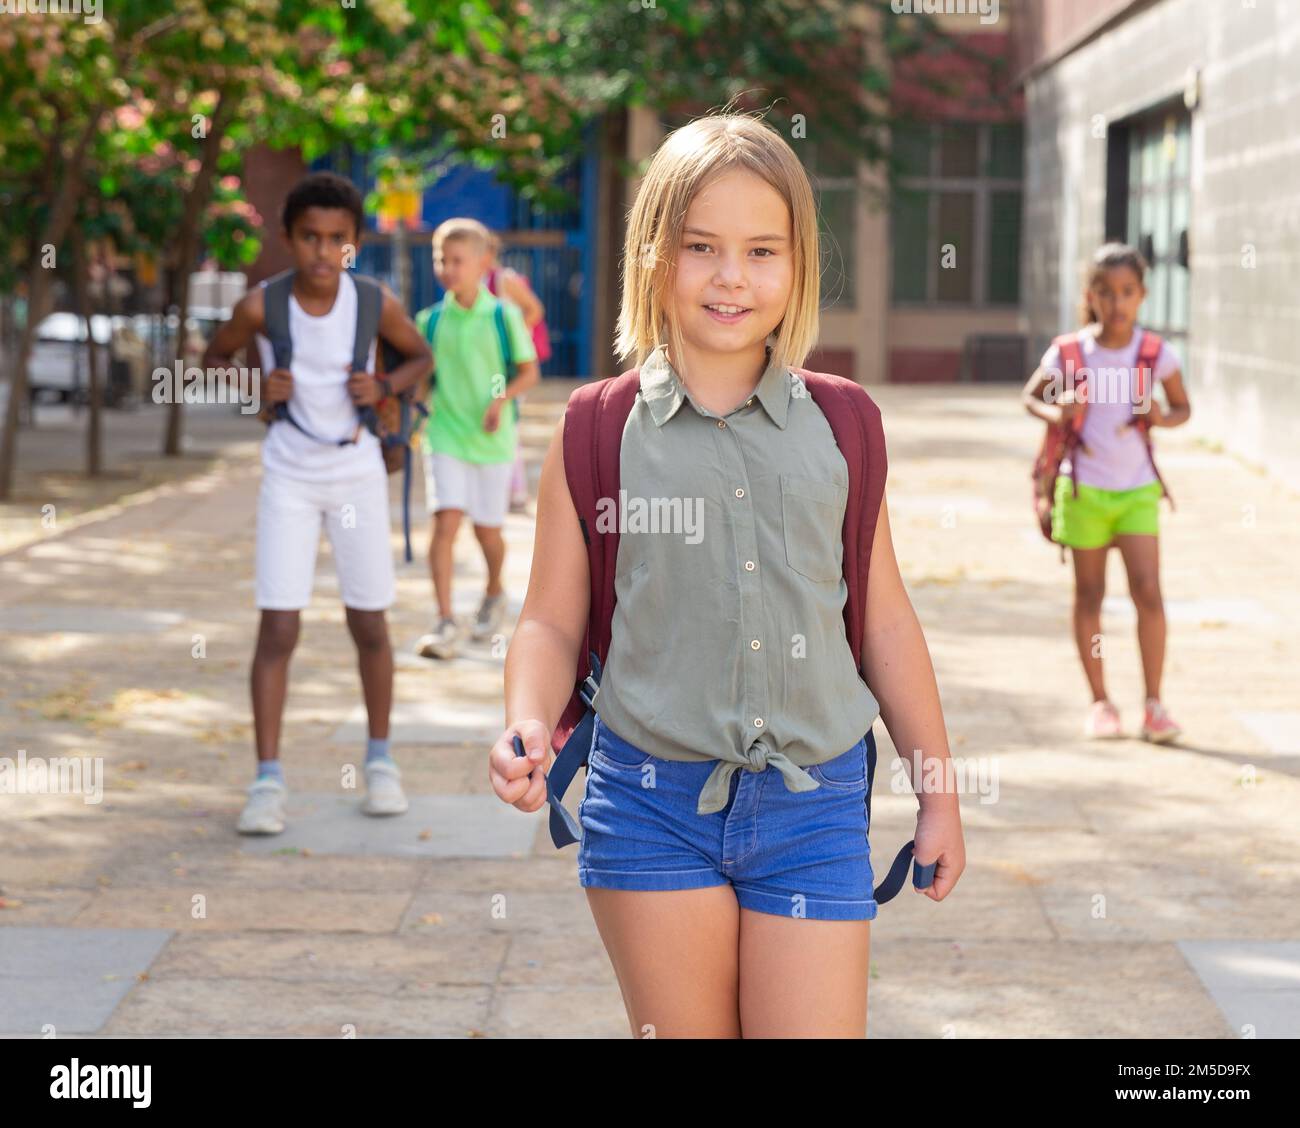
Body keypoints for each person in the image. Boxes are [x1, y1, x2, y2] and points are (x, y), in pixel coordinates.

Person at [486, 111, 965, 1037]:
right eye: (700, 246)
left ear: (798, 266)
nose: (731, 276)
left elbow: (886, 627)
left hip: (813, 808)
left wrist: (938, 793)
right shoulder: (594, 430)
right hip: (650, 805)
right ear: (653, 255)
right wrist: (524, 718)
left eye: (762, 250)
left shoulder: (845, 426)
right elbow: (549, 619)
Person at [203, 171, 432, 835]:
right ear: (287, 239)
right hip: (289, 476)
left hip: (357, 471)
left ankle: (381, 762)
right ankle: (267, 779)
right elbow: (209, 360)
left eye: (337, 239)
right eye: (310, 238)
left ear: (355, 242)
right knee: (278, 627)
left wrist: (382, 382)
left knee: (369, 623)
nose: (323, 252)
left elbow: (421, 356)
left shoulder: (372, 302)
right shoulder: (260, 305)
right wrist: (254, 383)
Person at [1022, 242, 1191, 742]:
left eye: (1127, 292)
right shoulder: (1071, 352)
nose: (1117, 303)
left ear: (1142, 296)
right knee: (1089, 596)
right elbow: (1031, 396)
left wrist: (1161, 415)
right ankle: (1100, 702)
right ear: (1090, 295)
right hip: (1084, 493)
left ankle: (1155, 705)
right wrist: (1061, 408)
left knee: (1149, 594)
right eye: (1106, 292)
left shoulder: (1156, 353)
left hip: (1137, 492)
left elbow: (1183, 409)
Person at [413, 218, 540, 660]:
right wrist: (409, 419)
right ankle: (445, 619)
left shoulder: (504, 316)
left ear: (484, 262)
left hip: (492, 441)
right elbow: (424, 381)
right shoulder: (429, 321)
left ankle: (493, 592)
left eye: (456, 260)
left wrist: (499, 400)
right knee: (446, 521)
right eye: (440, 260)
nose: (447, 268)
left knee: (488, 530)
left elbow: (528, 371)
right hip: (445, 435)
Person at [484, 231, 551, 512]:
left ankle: (514, 492)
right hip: (488, 364)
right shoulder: (473, 283)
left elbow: (535, 309)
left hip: (506, 367)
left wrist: (512, 339)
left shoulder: (503, 279)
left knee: (507, 419)